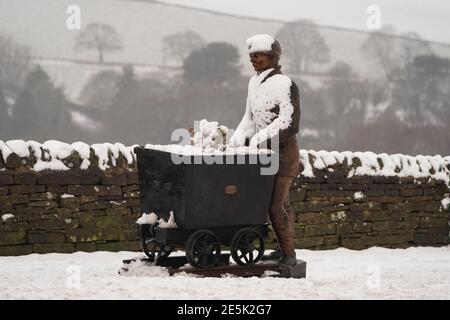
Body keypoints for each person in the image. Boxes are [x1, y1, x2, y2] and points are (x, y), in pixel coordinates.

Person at [229, 34, 300, 266]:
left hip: (283, 157)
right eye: (250, 55)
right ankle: (283, 250)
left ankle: (289, 255)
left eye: (257, 55)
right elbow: (249, 118)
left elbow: (289, 123)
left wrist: (260, 138)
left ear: (272, 57)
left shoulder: (285, 84)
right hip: (262, 157)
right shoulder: (253, 83)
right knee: (279, 205)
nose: (253, 60)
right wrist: (237, 137)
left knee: (275, 207)